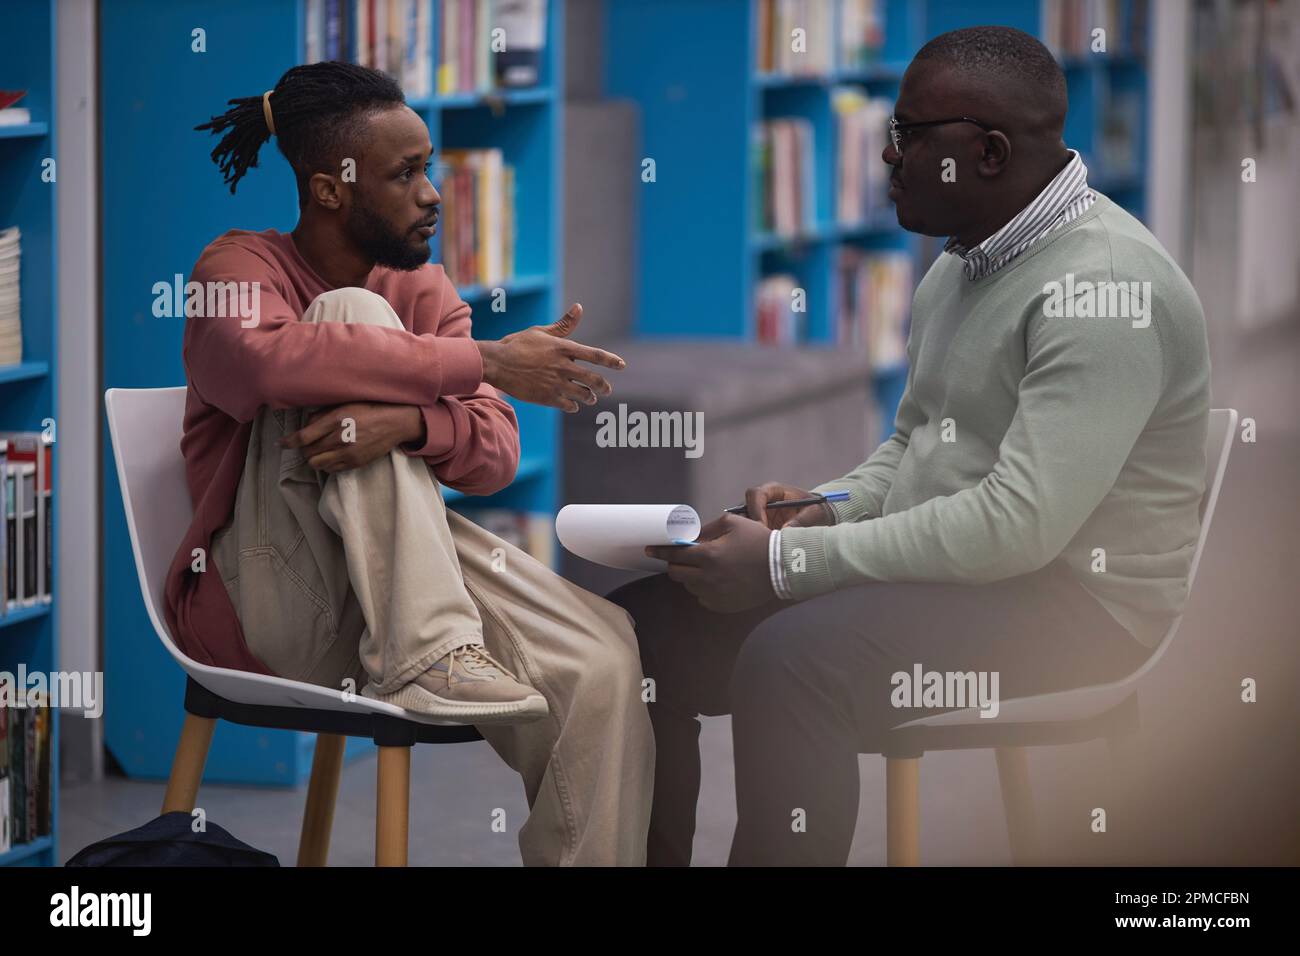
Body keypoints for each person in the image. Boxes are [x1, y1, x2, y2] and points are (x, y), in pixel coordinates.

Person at [609, 25, 1210, 866]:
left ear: (988, 152)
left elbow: (1020, 525)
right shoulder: (965, 263)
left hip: (1082, 604)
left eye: (906, 137)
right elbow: (915, 449)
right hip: (979, 570)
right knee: (642, 631)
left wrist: (786, 567)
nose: (888, 158)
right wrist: (817, 511)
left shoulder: (1104, 290)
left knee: (796, 661)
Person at [169, 61, 653, 865]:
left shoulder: (420, 285)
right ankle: (429, 656)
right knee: (350, 318)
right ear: (330, 189)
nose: (432, 192)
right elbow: (265, 370)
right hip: (273, 606)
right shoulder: (235, 270)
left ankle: (434, 654)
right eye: (407, 174)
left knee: (604, 652)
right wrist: (482, 364)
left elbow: (495, 452)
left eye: (428, 168)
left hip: (388, 584)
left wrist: (405, 423)